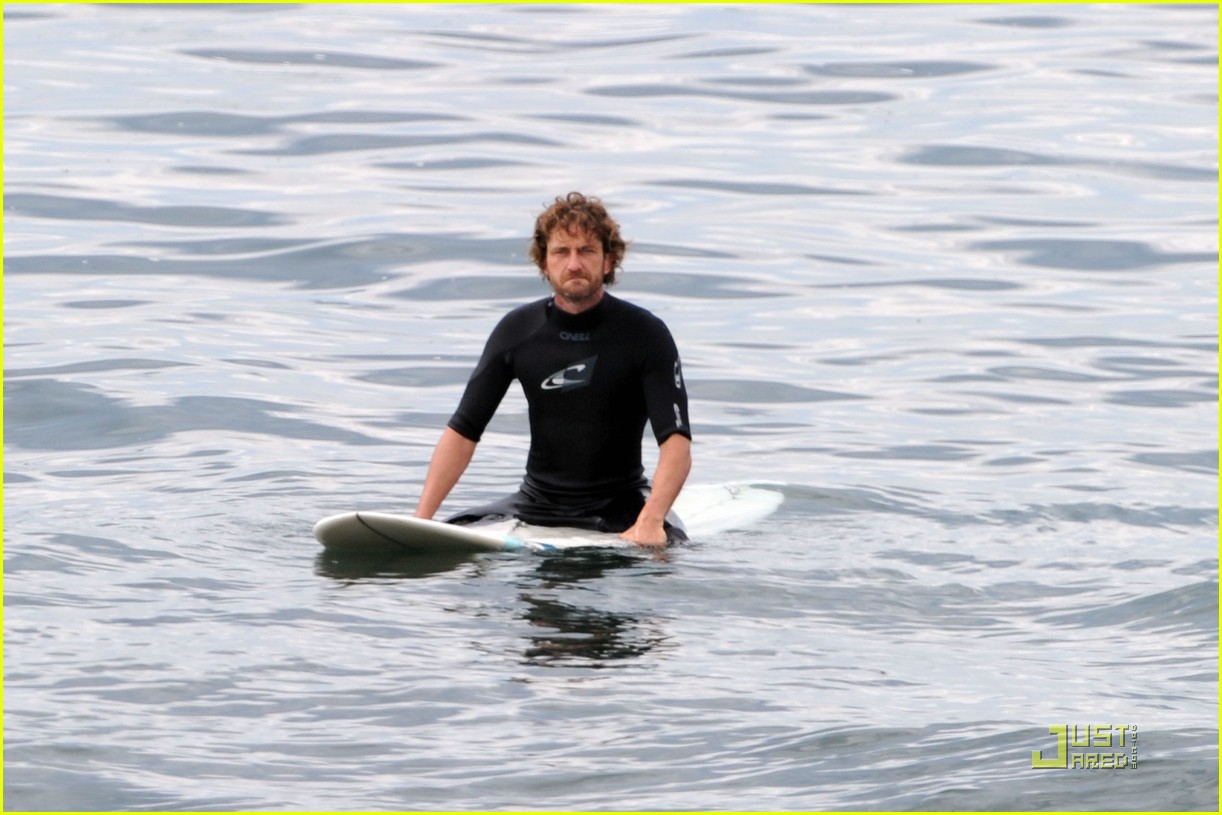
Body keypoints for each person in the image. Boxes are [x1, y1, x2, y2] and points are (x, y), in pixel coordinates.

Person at [413, 192, 692, 547]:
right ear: (544, 264)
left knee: (672, 551)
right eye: (561, 252)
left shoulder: (645, 334)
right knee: (457, 528)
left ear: (608, 261)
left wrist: (651, 519)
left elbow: (676, 441)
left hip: (619, 505)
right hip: (537, 503)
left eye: (586, 251)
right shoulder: (517, 331)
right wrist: (420, 524)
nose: (574, 264)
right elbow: (462, 432)